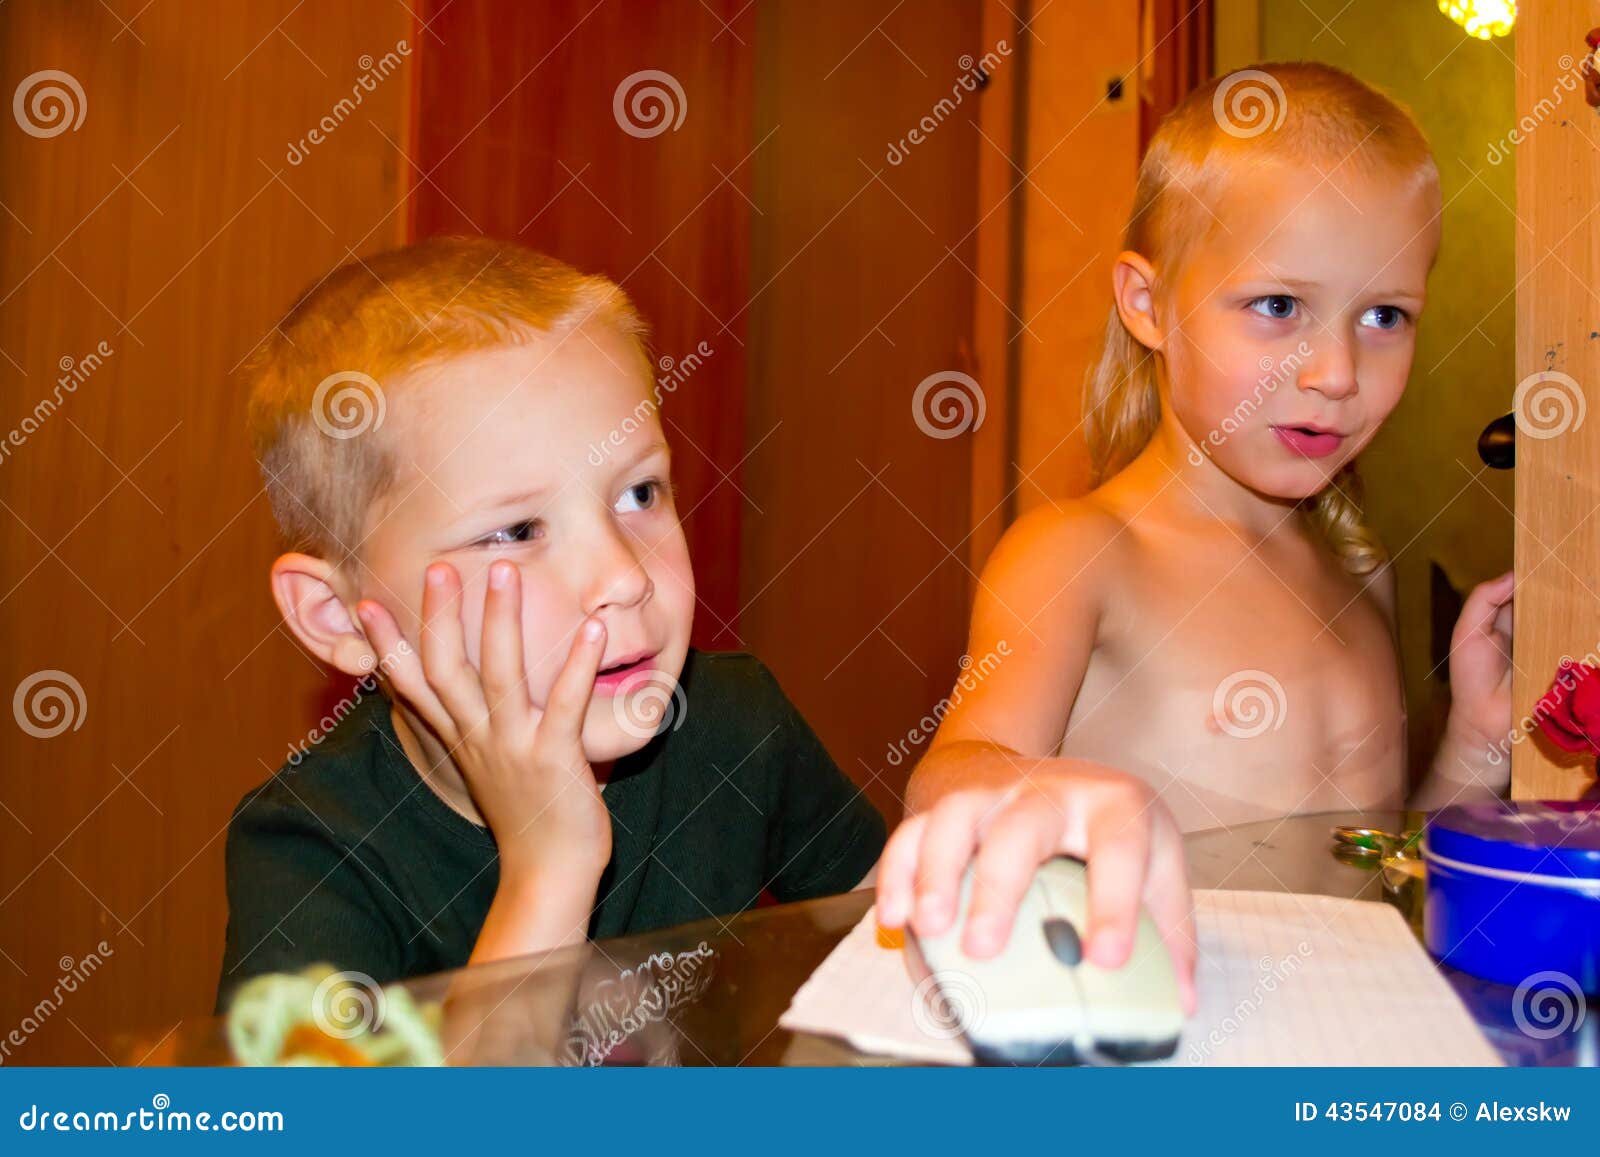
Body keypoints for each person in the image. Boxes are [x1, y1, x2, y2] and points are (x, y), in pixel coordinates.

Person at [876, 63, 1514, 1013]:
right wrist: (1015, 792)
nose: (1336, 371)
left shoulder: (1358, 574)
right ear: (1148, 306)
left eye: (1384, 316)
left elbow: (1382, 888)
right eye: (1279, 307)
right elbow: (955, 772)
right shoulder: (1080, 552)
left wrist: (1473, 742)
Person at [218, 237, 885, 1007]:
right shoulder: (310, 849)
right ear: (341, 617)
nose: (624, 576)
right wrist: (551, 864)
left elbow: (907, 969)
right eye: (517, 531)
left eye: (640, 493)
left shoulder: (737, 725)